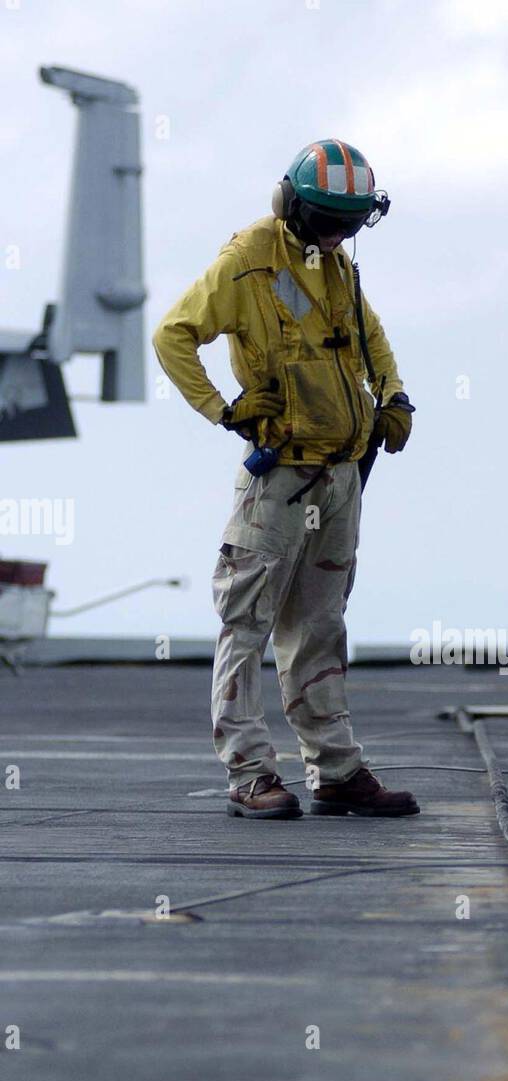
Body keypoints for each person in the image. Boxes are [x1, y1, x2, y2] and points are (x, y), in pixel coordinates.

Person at [153, 139, 418, 819]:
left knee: (320, 627)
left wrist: (393, 397)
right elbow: (172, 335)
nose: (337, 235)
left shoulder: (335, 267)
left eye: (350, 224)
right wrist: (224, 410)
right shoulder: (247, 262)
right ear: (290, 205)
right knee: (246, 625)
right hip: (279, 484)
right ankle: (249, 775)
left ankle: (335, 771)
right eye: (328, 220)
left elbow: (371, 338)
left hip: (339, 479)